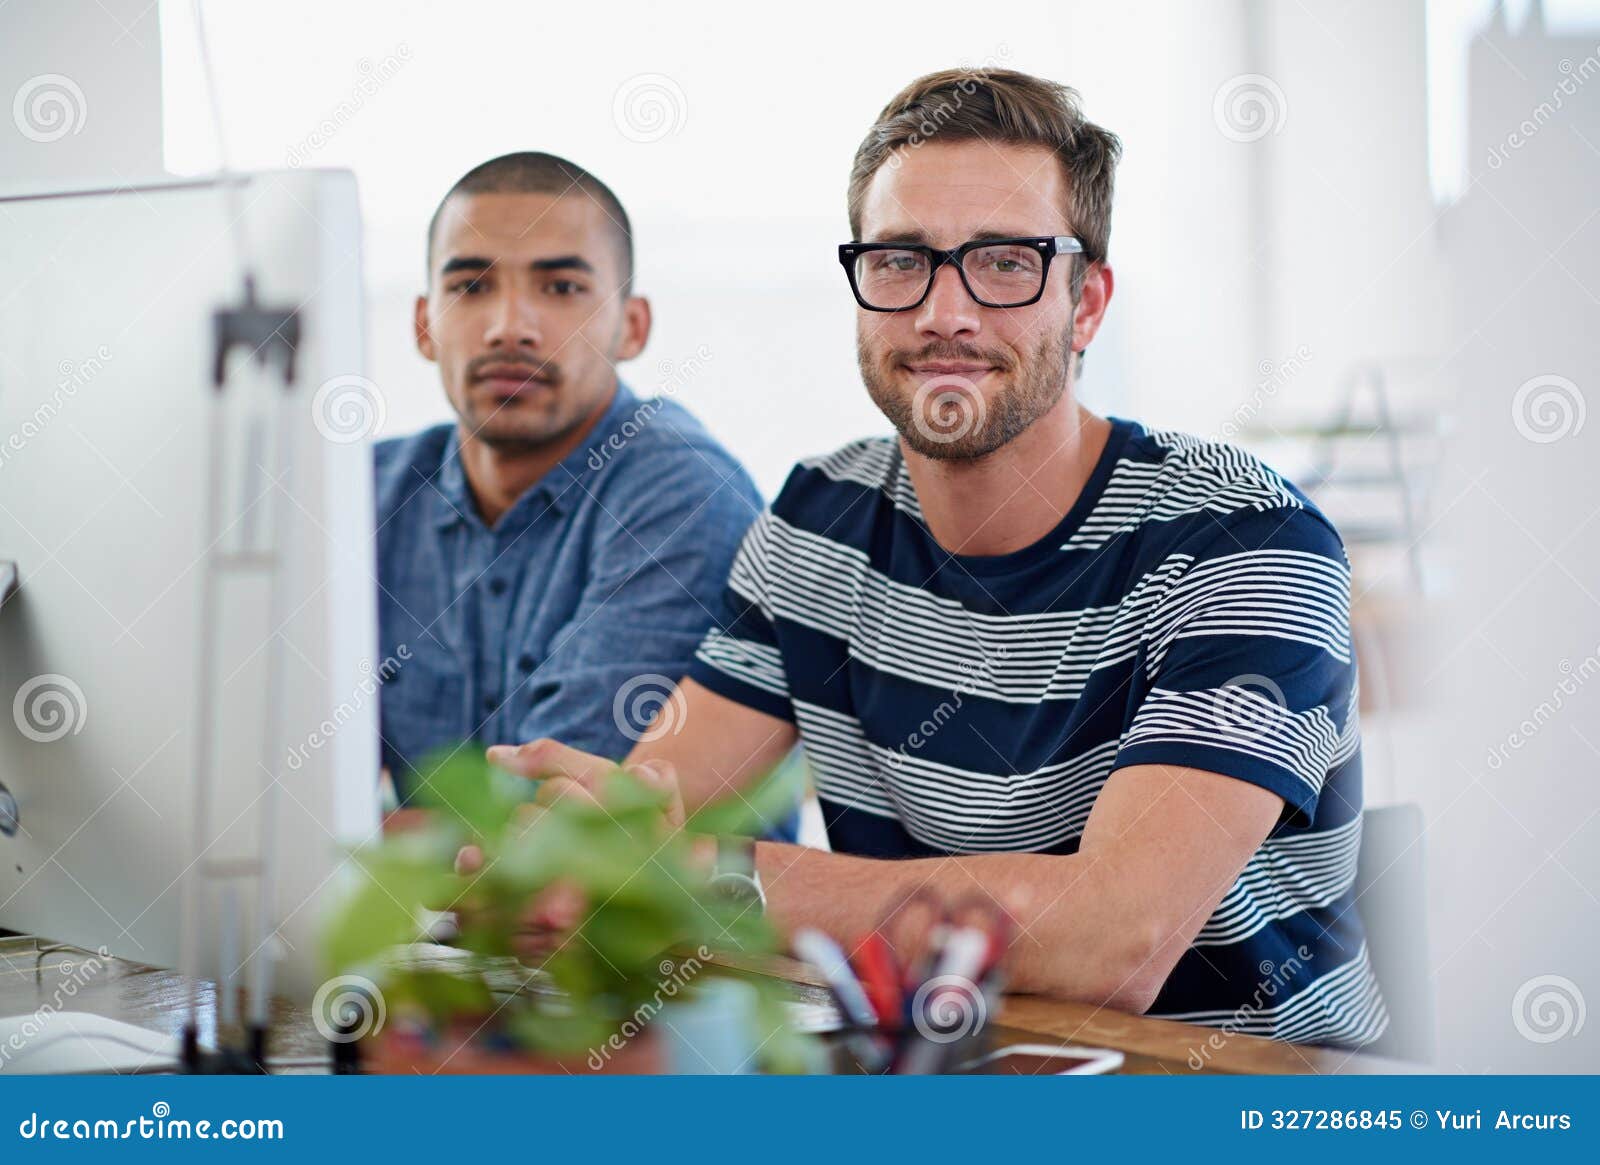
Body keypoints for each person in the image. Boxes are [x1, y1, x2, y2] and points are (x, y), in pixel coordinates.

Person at [483, 73, 1386, 1047]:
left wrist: (706, 877)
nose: (943, 312)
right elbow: (645, 812)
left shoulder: (1247, 540)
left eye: (1004, 264)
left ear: (1086, 306)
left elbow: (1113, 940)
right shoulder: (818, 520)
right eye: (901, 261)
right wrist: (564, 844)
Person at [374, 152, 791, 837]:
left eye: (562, 287)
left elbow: (560, 827)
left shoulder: (681, 490)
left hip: (664, 940)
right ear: (424, 324)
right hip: (446, 938)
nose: (511, 325)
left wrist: (341, 839)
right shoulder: (365, 492)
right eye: (472, 286)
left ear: (633, 326)